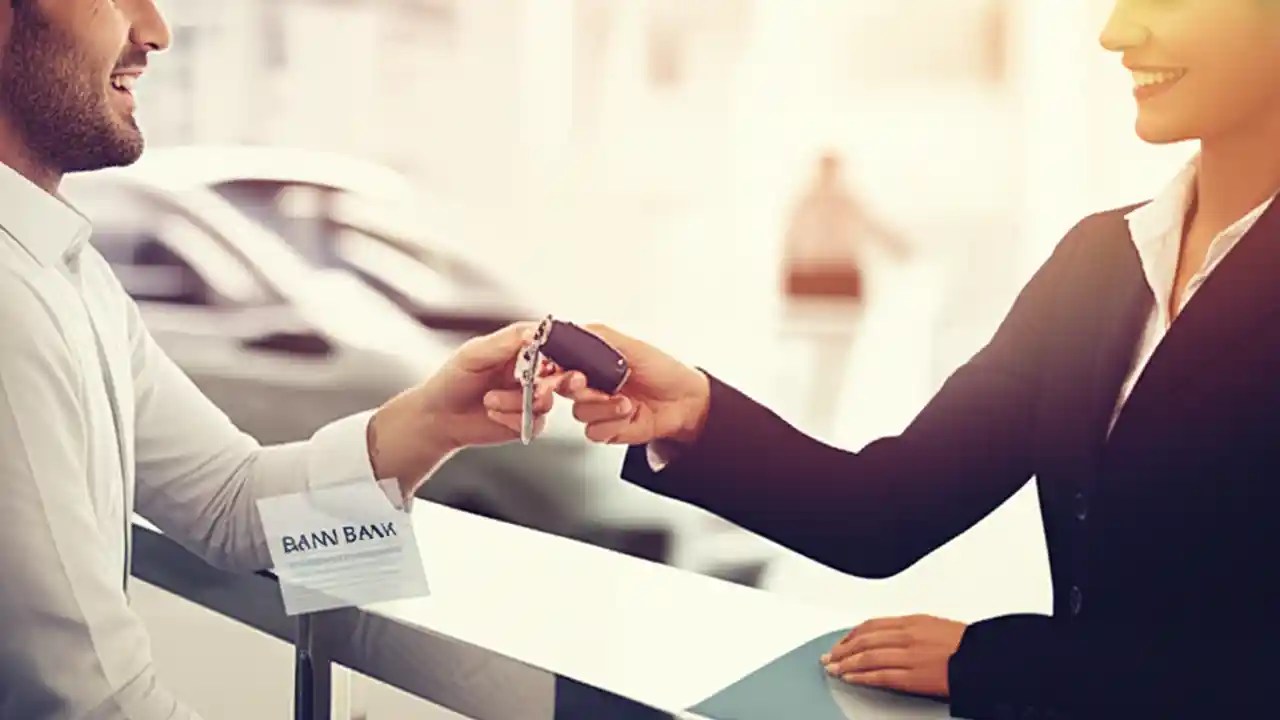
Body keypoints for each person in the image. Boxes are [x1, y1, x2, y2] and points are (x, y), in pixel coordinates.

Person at [487, 0, 1280, 717]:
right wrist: (695, 412)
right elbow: (886, 509)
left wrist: (1004, 662)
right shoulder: (1101, 260)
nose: (1116, 31)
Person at [0, 1, 557, 716]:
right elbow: (84, 699)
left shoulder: (69, 272)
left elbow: (230, 506)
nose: (155, 32)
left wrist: (434, 421)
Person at [779, 150, 909, 437]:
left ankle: (823, 414)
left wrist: (903, 250)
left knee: (835, 357)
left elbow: (877, 230)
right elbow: (790, 243)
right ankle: (812, 416)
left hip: (840, 285)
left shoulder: (846, 202)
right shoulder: (808, 203)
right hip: (816, 286)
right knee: (816, 356)